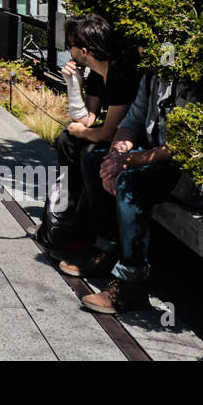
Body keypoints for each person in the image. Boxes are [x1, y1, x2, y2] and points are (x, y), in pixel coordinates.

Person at [68, 71, 192, 313]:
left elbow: (181, 145)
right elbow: (132, 121)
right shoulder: (151, 76)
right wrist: (116, 155)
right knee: (94, 158)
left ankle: (131, 283)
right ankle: (106, 248)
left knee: (129, 182)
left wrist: (127, 162)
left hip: (183, 169)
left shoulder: (190, 78)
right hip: (151, 153)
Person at [35, 14, 140, 259]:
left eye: (70, 45)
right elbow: (86, 120)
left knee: (91, 155)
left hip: (133, 140)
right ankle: (65, 217)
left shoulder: (119, 73)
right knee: (67, 140)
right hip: (114, 135)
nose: (67, 49)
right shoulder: (96, 74)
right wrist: (73, 84)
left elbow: (108, 132)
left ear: (83, 50)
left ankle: (96, 238)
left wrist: (82, 132)